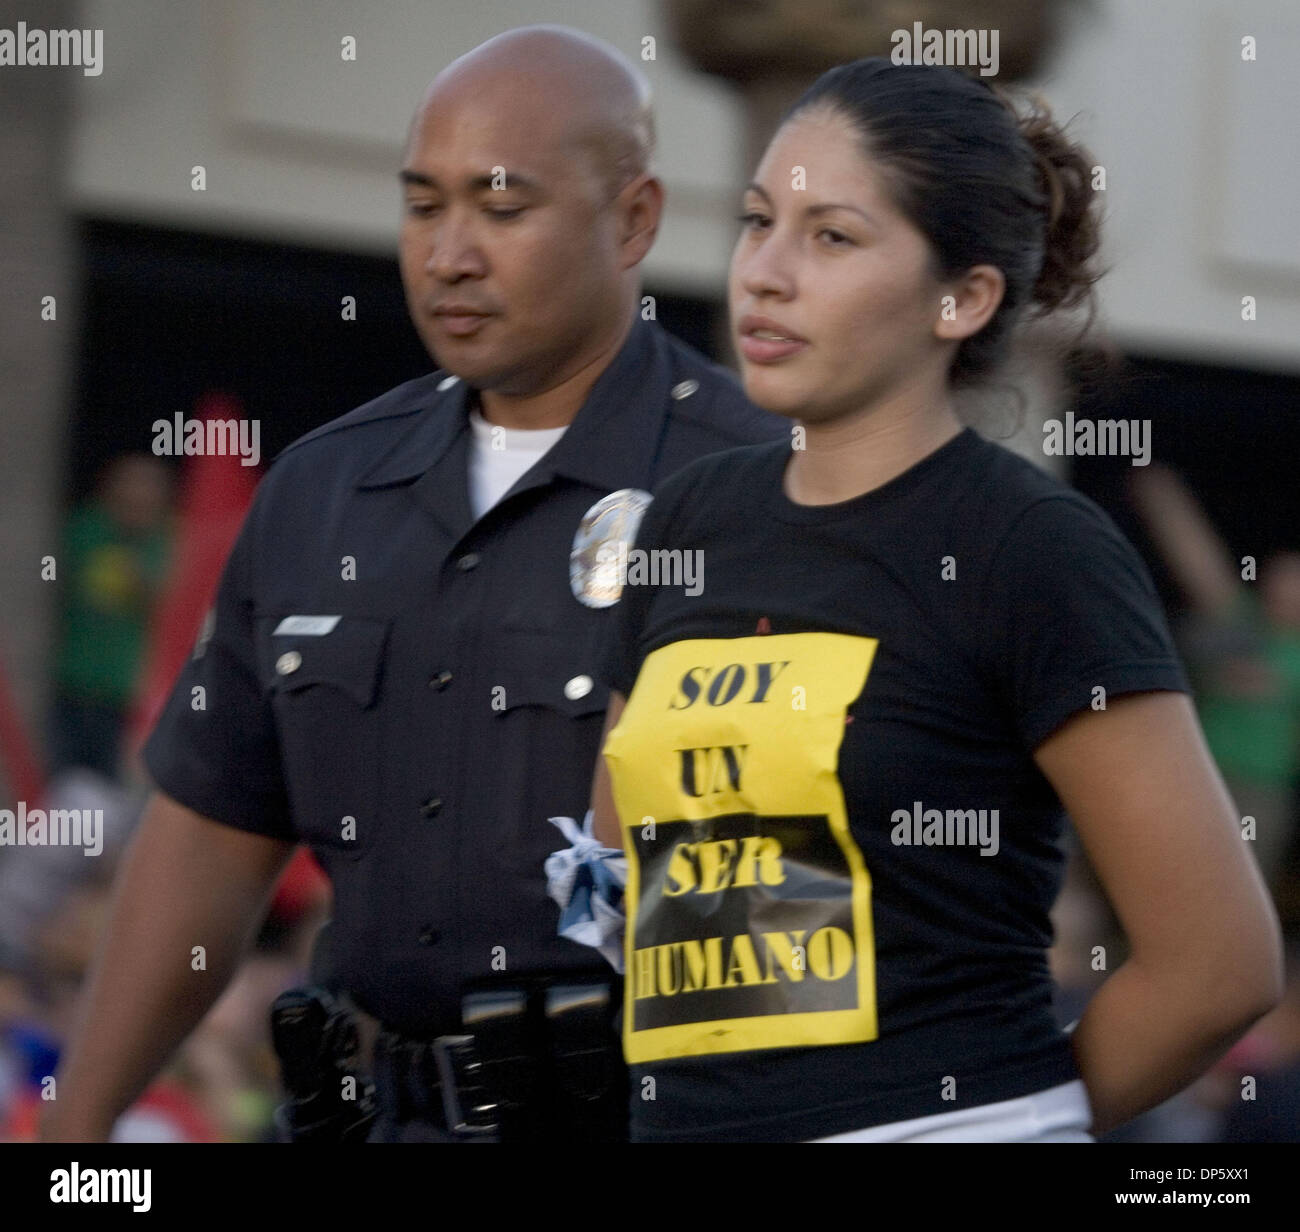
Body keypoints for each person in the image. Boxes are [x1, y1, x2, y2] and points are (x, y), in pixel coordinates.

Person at [43, 25, 782, 1144]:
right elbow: (207, 832)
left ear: (633, 217)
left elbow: (781, 911)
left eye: (500, 206)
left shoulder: (755, 490)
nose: (448, 255)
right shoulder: (323, 488)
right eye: (423, 205)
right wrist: (76, 1134)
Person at [588, 57, 1283, 1143]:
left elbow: (1218, 965)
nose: (764, 273)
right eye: (758, 221)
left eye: (831, 236)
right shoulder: (686, 519)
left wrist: (1006, 1120)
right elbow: (627, 870)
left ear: (962, 297)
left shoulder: (1032, 548)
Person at [47, 453, 173, 781]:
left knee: (109, 792)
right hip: (68, 681)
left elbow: (172, 604)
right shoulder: (84, 529)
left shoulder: (166, 543)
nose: (137, 495)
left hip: (124, 693)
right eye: (129, 484)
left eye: (148, 488)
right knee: (57, 783)